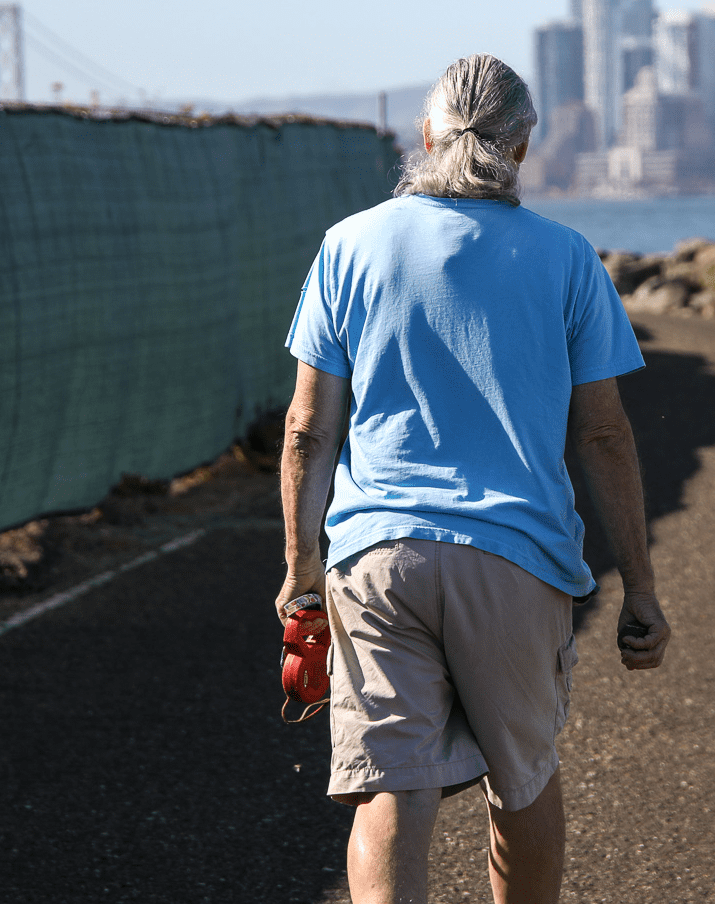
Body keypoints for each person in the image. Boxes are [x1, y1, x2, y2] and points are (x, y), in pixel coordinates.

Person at [275, 53, 671, 904]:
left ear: (424, 136)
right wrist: (639, 587)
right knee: (520, 777)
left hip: (376, 557)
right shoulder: (566, 259)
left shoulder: (349, 245)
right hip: (514, 559)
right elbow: (602, 432)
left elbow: (309, 426)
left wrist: (302, 566)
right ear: (523, 146)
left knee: (393, 787)